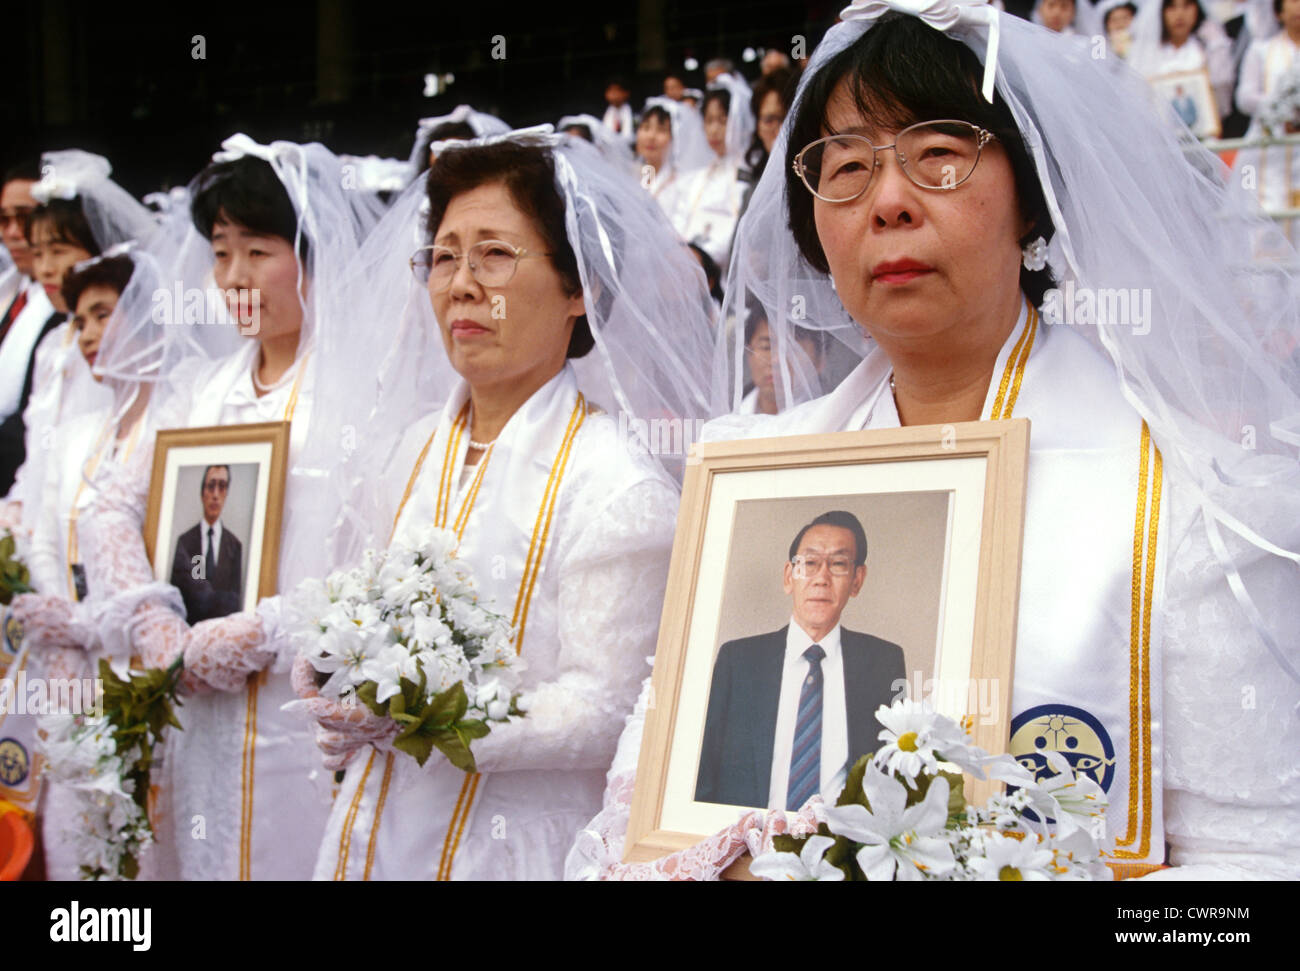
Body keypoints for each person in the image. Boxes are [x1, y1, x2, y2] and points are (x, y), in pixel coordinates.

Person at [571, 0, 1300, 881]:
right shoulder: (756, 486)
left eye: (940, 158)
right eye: (845, 168)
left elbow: (1255, 871)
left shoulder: (1186, 501)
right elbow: (631, 815)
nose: (887, 202)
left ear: (1029, 197)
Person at [291, 128, 715, 881]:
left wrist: (428, 717)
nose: (461, 283)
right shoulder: (414, 447)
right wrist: (336, 668)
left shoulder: (614, 483)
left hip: (513, 841)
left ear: (576, 287)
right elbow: (359, 601)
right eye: (445, 256)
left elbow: (603, 704)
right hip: (379, 823)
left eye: (494, 254)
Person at [19, 134, 385, 881]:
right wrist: (152, 616)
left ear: (311, 256)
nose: (235, 276)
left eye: (259, 250)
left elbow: (378, 561)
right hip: (198, 715)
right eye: (221, 253)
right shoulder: (203, 390)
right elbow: (112, 502)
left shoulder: (362, 397)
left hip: (297, 720)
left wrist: (266, 627)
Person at [695, 511, 905, 809]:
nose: (821, 578)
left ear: (857, 580)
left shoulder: (884, 663)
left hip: (842, 848)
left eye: (838, 564)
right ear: (788, 576)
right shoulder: (737, 662)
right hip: (748, 843)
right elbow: (701, 776)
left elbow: (896, 778)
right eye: (809, 563)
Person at [0, 161, 55, 498]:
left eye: (25, 217)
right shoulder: (10, 292)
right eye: (4, 220)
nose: (13, 232)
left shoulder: (63, 313)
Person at [659, 78, 753, 266]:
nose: (714, 130)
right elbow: (681, 219)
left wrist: (703, 256)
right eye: (709, 121)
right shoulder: (700, 176)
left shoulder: (748, 175)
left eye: (722, 121)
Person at [1235, 0, 1300, 232]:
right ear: (1279, 12)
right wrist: (1281, 106)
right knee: (1263, 209)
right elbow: (1244, 97)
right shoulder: (1261, 49)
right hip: (1270, 144)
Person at [1130, 0, 1236, 125]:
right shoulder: (1148, 55)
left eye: (1187, 6)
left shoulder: (1207, 47)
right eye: (1172, 7)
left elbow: (1223, 91)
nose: (1180, 15)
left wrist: (1217, 46)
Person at [168, 464, 243, 624]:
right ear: (202, 493)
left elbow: (234, 602)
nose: (215, 495)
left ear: (227, 494)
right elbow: (193, 595)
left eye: (222, 487)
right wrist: (216, 597)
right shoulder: (186, 543)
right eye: (211, 486)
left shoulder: (235, 546)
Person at [634, 96, 712, 207]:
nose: (651, 137)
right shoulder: (634, 175)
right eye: (646, 128)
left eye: (661, 130)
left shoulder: (682, 185)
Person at [601, 77, 635, 143]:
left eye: (617, 90)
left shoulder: (634, 113)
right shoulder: (603, 112)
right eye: (610, 90)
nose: (613, 94)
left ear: (626, 93)